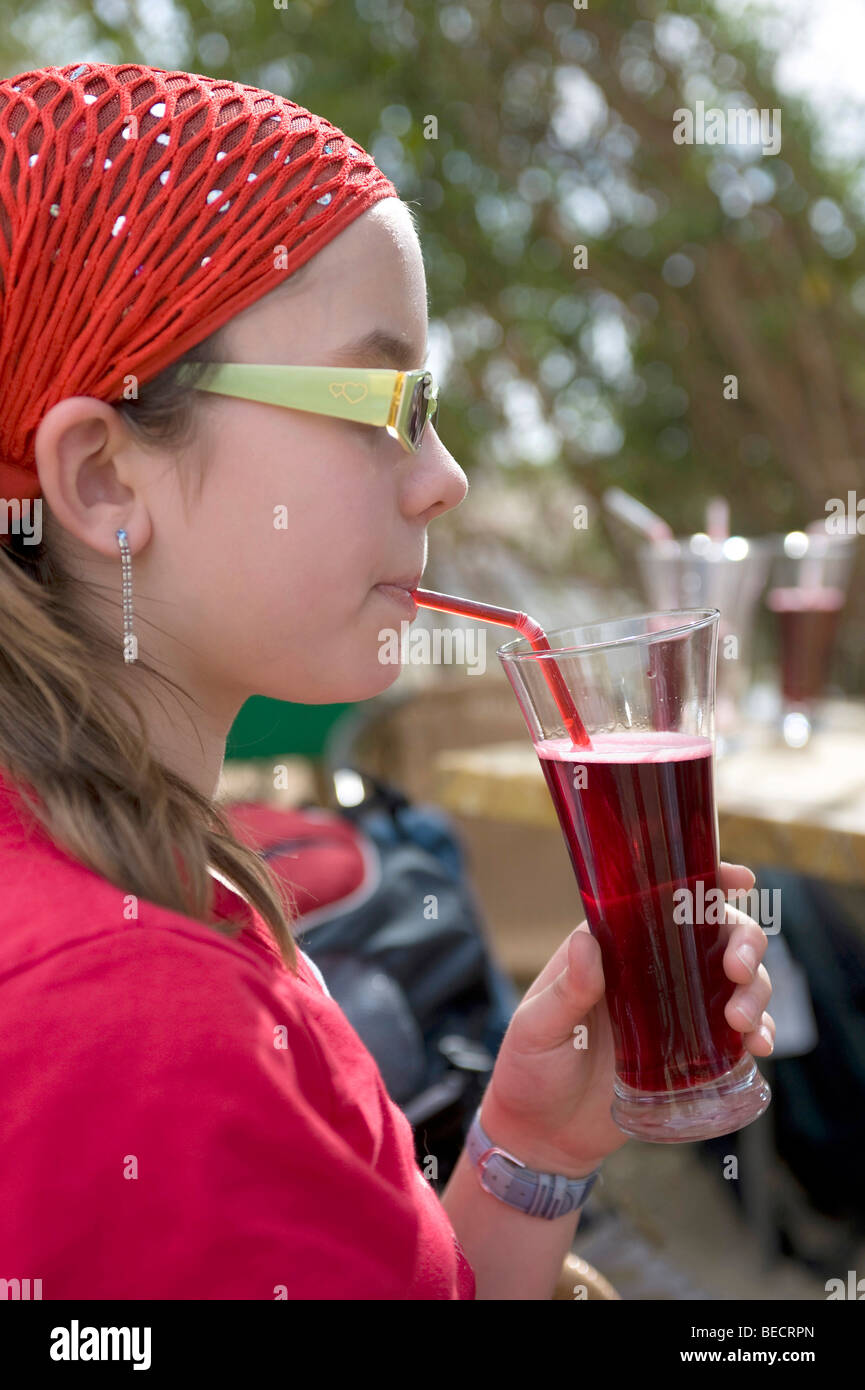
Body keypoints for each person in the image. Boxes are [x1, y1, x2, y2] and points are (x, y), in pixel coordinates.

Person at [0, 61, 775, 1301]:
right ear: (102, 478)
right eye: (389, 400)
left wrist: (529, 1143)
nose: (445, 477)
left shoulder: (152, 884)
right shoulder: (133, 1021)